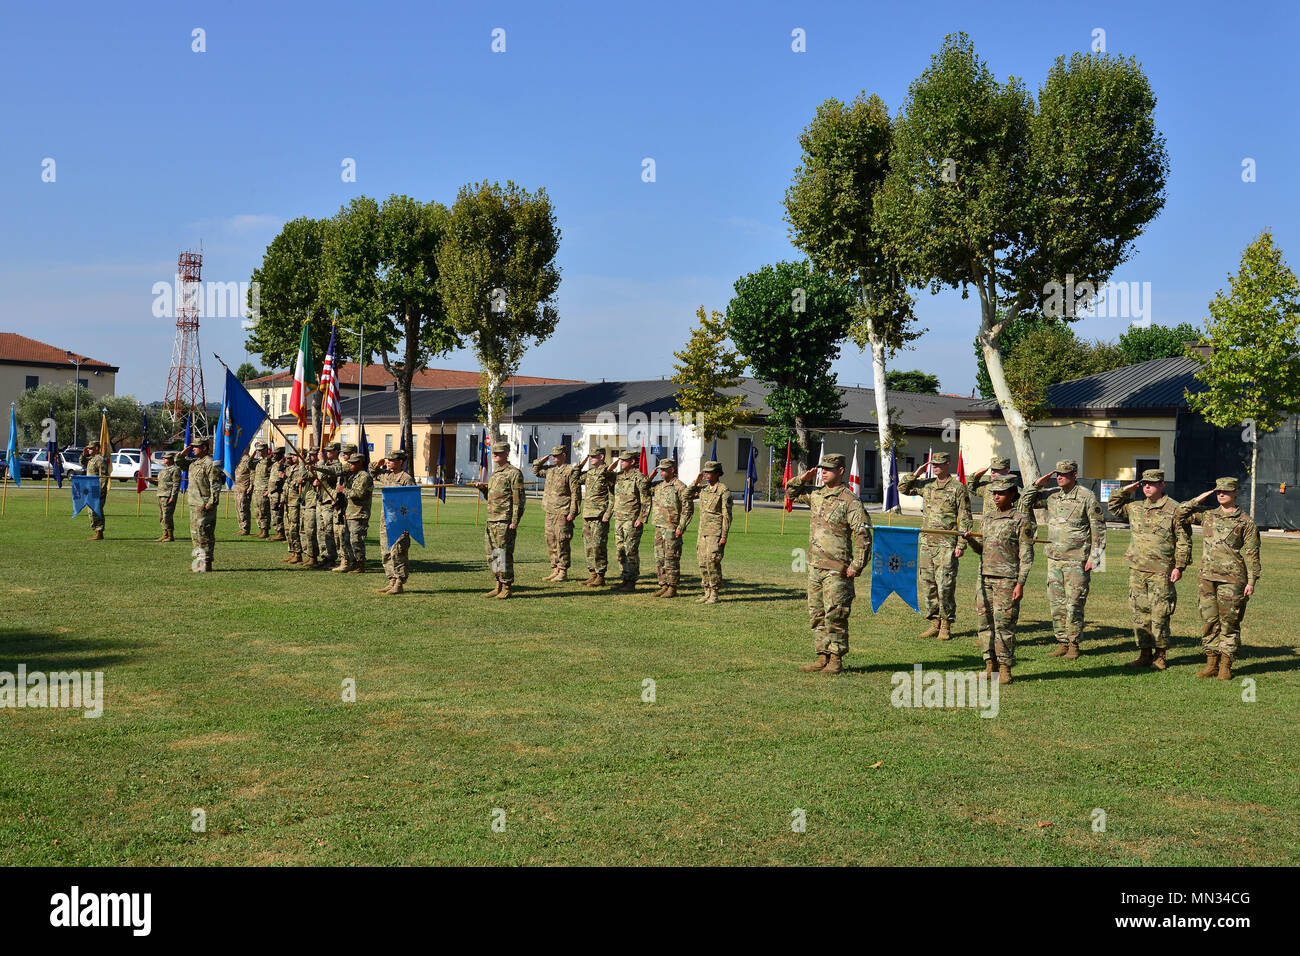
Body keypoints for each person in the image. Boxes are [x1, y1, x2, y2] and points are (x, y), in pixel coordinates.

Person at [784, 453, 872, 674]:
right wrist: (803, 478)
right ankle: (822, 656)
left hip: (837, 568)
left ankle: (835, 659)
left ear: (840, 471)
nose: (823, 472)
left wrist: (857, 565)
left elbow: (862, 534)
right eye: (821, 468)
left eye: (828, 469)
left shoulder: (850, 500)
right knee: (817, 614)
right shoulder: (816, 495)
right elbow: (790, 492)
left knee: (836, 613)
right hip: (815, 565)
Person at [1178, 477, 1261, 680]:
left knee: (1229, 622)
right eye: (1217, 491)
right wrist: (1199, 498)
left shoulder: (1245, 522)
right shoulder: (1208, 516)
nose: (1221, 494)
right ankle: (1211, 663)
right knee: (1209, 621)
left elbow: (1252, 553)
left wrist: (1251, 581)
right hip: (1206, 577)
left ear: (1235, 493)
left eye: (1226, 491)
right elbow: (1179, 514)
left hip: (1233, 579)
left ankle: (1226, 665)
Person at [1108, 469, 1190, 671]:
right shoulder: (1135, 507)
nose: (1147, 486)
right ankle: (1144, 654)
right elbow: (1114, 506)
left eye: (1152, 483)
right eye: (1144, 483)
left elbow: (1183, 540)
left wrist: (1179, 566)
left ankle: (1160, 655)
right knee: (1140, 613)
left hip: (1161, 571)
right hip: (1137, 569)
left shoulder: (1174, 509)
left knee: (1160, 614)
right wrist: (1126, 489)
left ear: (1162, 485)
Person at [1023, 459, 1106, 660]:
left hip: (1077, 559)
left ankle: (1074, 644)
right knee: (1056, 603)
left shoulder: (1087, 496)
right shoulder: (1052, 496)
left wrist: (1095, 559)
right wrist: (1037, 484)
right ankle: (1061, 641)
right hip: (1054, 558)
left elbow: (1099, 529)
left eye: (1064, 474)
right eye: (1057, 474)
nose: (1059, 477)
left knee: (1074, 603)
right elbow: (1025, 501)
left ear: (1074, 475)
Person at [963, 476, 1036, 684]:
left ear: (1012, 494)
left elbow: (1027, 554)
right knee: (985, 625)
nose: (996, 496)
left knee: (1004, 625)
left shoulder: (1021, 520)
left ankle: (1005, 669)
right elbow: (982, 549)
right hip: (984, 578)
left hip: (1007, 580)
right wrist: (970, 541)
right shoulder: (987, 518)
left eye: (1001, 493)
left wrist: (1020, 582)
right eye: (994, 493)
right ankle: (990, 666)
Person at [898, 451, 971, 640]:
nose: (935, 467)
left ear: (948, 464)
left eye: (938, 464)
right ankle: (934, 622)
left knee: (945, 585)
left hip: (946, 545)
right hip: (927, 544)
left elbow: (964, 517)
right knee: (928, 585)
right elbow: (903, 488)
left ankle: (946, 624)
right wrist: (916, 473)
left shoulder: (957, 488)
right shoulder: (927, 486)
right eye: (933, 465)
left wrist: (961, 545)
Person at [473, 441, 525, 599]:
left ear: (507, 453)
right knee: (492, 554)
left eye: (499, 452)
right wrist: (483, 489)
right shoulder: (495, 474)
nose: (495, 455)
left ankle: (507, 586)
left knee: (503, 554)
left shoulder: (514, 473)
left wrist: (515, 521)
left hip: (504, 520)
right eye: (493, 452)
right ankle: (498, 584)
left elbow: (519, 501)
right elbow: (493, 497)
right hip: (492, 519)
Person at [531, 444, 582, 582]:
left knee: (562, 541)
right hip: (550, 511)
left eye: (556, 456)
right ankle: (555, 569)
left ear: (564, 456)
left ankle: (563, 571)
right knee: (550, 541)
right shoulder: (550, 470)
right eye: (552, 456)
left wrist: (572, 512)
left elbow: (575, 494)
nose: (554, 458)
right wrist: (543, 459)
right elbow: (535, 470)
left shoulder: (570, 471)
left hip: (563, 512)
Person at [684, 460, 732, 604]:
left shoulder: (723, 491)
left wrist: (724, 535)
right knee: (702, 562)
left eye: (709, 472)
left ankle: (714, 593)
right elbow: (686, 495)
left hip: (715, 533)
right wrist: (695, 482)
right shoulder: (703, 489)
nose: (706, 474)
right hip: (702, 532)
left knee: (712, 562)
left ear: (717, 474)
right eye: (705, 472)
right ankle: (706, 591)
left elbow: (727, 515)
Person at [175, 436, 223, 572]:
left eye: (196, 447)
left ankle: (206, 563)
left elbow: (215, 484)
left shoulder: (209, 464)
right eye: (193, 446)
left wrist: (212, 502)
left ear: (204, 448)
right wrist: (182, 453)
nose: (193, 449)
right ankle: (199, 562)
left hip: (204, 504)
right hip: (194, 504)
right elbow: (179, 462)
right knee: (195, 534)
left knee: (205, 534)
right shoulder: (194, 463)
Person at [372, 450, 416, 594]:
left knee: (398, 552)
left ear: (400, 462)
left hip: (399, 521)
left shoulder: (406, 478)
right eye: (388, 460)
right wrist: (376, 465)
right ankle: (391, 580)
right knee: (386, 552)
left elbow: (412, 503)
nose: (388, 462)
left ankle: (399, 583)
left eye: (391, 460)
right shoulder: (386, 475)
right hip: (386, 521)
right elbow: (372, 473)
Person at [649, 458, 693, 599]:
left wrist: (681, 527)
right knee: (659, 558)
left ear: (672, 470)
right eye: (660, 469)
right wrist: (651, 475)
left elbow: (688, 509)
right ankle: (664, 585)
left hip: (672, 528)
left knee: (671, 558)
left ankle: (672, 587)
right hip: (659, 527)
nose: (661, 472)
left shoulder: (680, 487)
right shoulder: (659, 486)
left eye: (663, 469)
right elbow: (643, 486)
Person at [610, 450, 651, 592]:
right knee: (620, 550)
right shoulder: (619, 477)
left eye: (623, 460)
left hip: (632, 520)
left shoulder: (639, 478)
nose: (620, 462)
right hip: (619, 519)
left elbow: (646, 501)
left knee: (630, 551)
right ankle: (624, 578)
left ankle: (631, 581)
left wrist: (641, 518)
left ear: (632, 461)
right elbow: (604, 476)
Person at [575, 449, 615, 586]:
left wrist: (608, 514)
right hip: (587, 514)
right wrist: (582, 462)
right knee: (589, 547)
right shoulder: (590, 473)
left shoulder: (607, 473)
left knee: (598, 546)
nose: (590, 458)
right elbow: (575, 477)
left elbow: (612, 496)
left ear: (601, 457)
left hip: (599, 515)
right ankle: (592, 573)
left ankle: (600, 575)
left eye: (593, 457)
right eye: (589, 457)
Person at [334, 452, 374, 573]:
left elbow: (359, 494)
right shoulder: (352, 476)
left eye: (353, 463)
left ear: (360, 463)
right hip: (350, 513)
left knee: (357, 540)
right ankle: (353, 562)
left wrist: (343, 490)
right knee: (347, 540)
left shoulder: (364, 477)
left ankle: (360, 564)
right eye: (350, 463)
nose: (350, 465)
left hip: (359, 513)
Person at [967, 455, 1015, 524]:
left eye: (996, 470)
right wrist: (976, 476)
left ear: (1007, 471)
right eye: (992, 469)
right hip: (987, 528)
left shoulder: (1014, 490)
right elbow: (972, 488)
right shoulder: (987, 487)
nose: (992, 472)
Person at [79, 440, 109, 539]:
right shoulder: (92, 459)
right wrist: (83, 455)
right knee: (91, 511)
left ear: (96, 448)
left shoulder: (100, 460)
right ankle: (96, 530)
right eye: (88, 448)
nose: (89, 450)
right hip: (90, 489)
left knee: (96, 510)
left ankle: (99, 531)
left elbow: (103, 476)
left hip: (97, 489)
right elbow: (83, 463)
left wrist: (100, 490)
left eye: (91, 448)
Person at [298, 449, 320, 569]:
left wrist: (302, 463)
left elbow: (305, 475)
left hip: (312, 503)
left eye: (313, 455)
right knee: (304, 530)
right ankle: (309, 555)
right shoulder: (309, 466)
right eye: (309, 455)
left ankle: (313, 557)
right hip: (306, 501)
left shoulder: (317, 467)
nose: (310, 456)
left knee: (311, 531)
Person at [283, 449, 304, 564]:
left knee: (294, 528)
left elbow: (299, 483)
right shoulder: (290, 469)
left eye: (295, 456)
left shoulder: (302, 468)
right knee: (288, 528)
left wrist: (294, 481)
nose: (293, 458)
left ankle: (298, 553)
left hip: (295, 502)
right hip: (288, 501)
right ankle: (292, 551)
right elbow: (286, 485)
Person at [155, 451, 181, 542]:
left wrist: (173, 497)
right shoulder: (163, 470)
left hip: (168, 495)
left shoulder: (175, 469)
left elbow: (176, 484)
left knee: (167, 516)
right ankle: (164, 534)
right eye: (164, 458)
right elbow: (160, 483)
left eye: (166, 458)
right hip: (161, 494)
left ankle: (170, 536)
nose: (164, 459)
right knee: (162, 516)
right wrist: (150, 481)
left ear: (171, 459)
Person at [252, 441, 272, 537]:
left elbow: (272, 477)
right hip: (256, 490)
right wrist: (253, 453)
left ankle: (265, 531)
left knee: (263, 511)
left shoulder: (269, 462)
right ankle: (260, 529)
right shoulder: (259, 462)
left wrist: (269, 490)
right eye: (257, 450)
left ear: (266, 450)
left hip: (264, 490)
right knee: (257, 511)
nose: (259, 452)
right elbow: (249, 465)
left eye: (260, 450)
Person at [267, 446, 288, 541]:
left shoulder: (283, 465)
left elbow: (283, 480)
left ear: (281, 454)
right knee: (274, 513)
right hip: (272, 492)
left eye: (276, 454)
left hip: (278, 492)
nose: (274, 455)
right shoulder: (275, 464)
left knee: (278, 513)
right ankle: (277, 532)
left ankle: (281, 533)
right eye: (273, 453)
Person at [233, 449, 254, 535]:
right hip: (237, 488)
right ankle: (241, 527)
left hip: (244, 488)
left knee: (243, 508)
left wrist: (251, 487)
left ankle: (245, 528)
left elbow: (252, 473)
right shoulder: (238, 460)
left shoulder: (247, 460)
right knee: (238, 508)